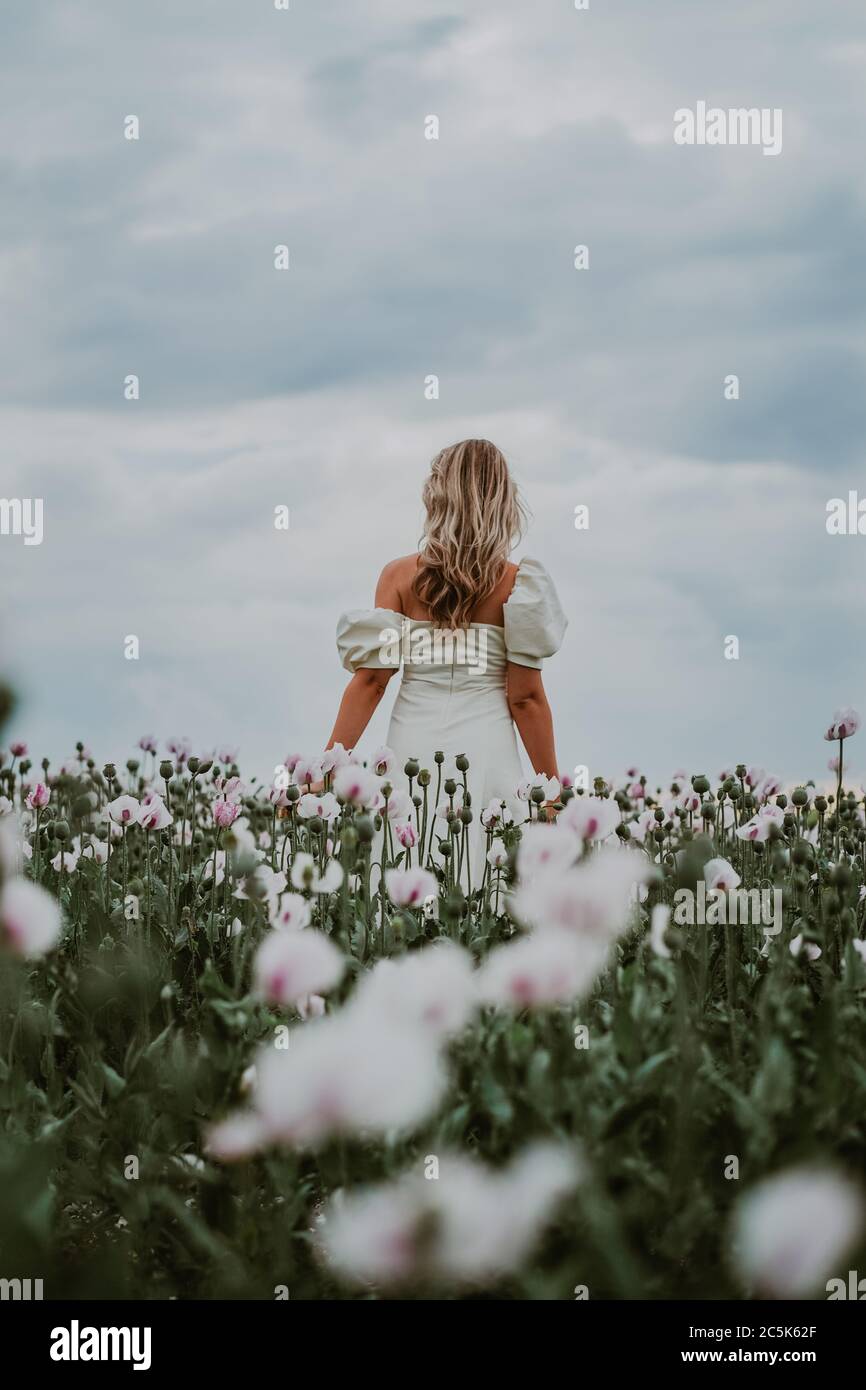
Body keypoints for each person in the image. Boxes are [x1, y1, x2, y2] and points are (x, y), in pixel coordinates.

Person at [327, 438, 567, 873]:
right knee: (489, 877)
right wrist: (551, 793)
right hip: (489, 750)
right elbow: (525, 699)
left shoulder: (398, 576)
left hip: (411, 750)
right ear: (501, 500)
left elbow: (371, 683)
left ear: (438, 496)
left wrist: (321, 771)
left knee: (406, 866)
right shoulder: (519, 585)